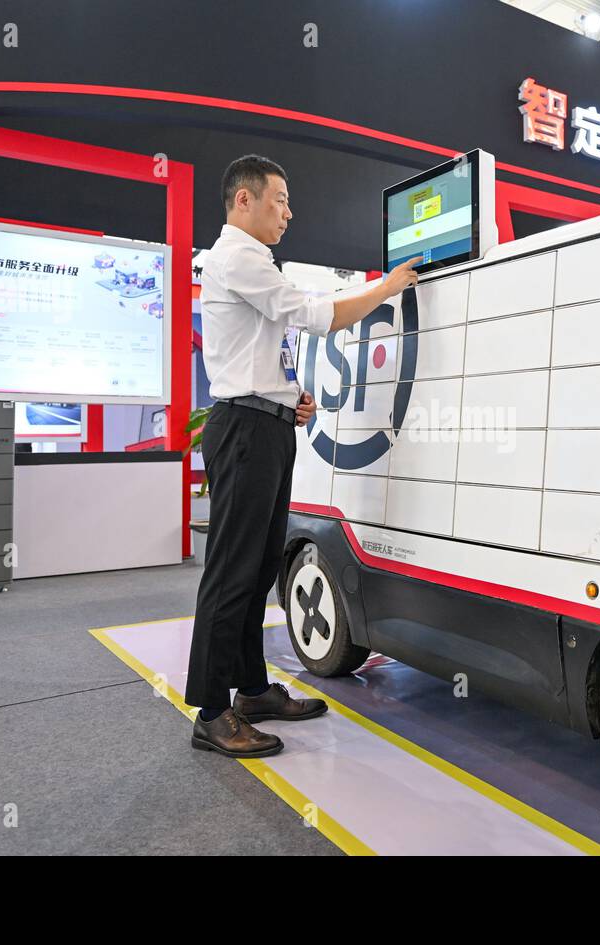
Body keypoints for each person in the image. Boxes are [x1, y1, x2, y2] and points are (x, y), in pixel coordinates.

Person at [187, 154, 422, 758]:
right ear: (244, 200)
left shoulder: (253, 262)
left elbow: (258, 352)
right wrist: (387, 287)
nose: (288, 212)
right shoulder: (237, 256)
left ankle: (253, 691)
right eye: (280, 200)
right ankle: (212, 712)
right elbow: (318, 317)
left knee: (259, 568)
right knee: (232, 573)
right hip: (243, 431)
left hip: (262, 426)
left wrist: (287, 397)